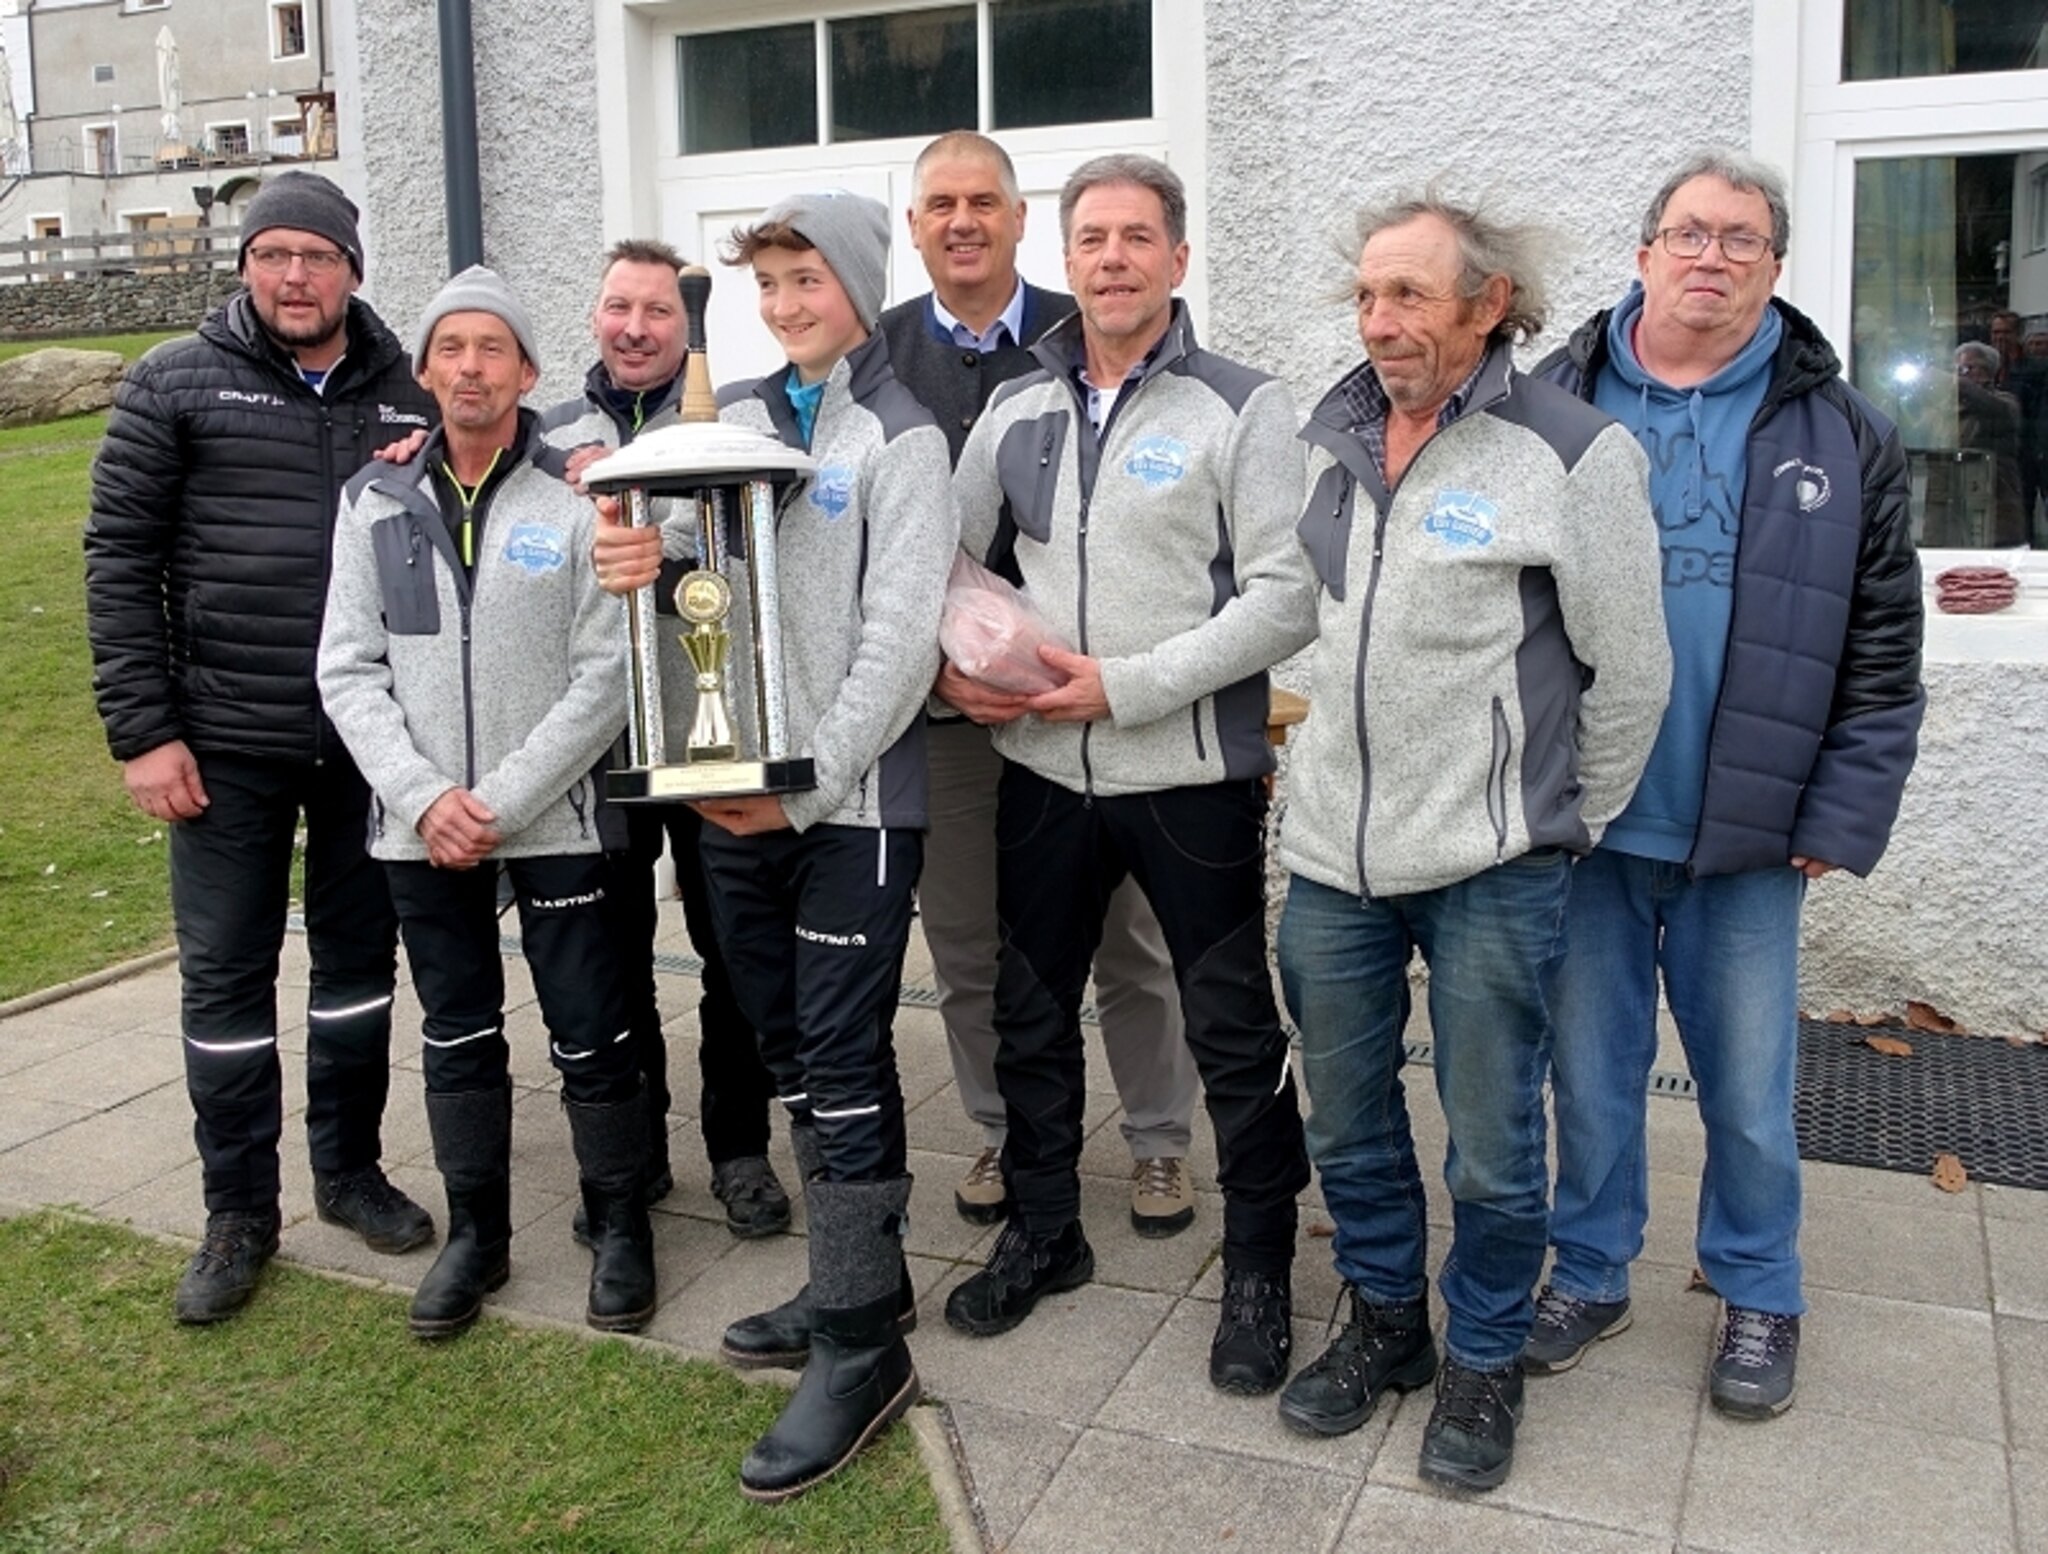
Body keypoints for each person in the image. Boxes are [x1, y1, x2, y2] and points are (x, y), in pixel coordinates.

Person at [1272, 193, 1668, 1491]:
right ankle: (1387, 1322)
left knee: (1492, 1143)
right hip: (1332, 859)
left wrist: (1561, 823)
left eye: (1409, 294)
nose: (1378, 321)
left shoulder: (1571, 452)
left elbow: (1632, 670)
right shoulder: (1334, 438)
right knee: (1345, 1122)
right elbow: (1309, 613)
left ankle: (1484, 1355)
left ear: (1489, 303)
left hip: (1494, 867)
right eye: (1365, 295)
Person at [1529, 150, 1923, 1423]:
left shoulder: (1840, 431)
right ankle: (1588, 1270)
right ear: (1643, 253)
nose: (1710, 257)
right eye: (1688, 233)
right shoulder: (1550, 403)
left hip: (1746, 827)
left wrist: (1842, 809)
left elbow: (1881, 641)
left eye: (1738, 239)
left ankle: (1756, 1285)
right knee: (1587, 1075)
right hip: (1584, 819)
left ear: (1772, 266)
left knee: (1747, 1091)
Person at [594, 192, 954, 1502]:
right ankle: (864, 1278)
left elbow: (899, 646)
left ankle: (862, 1353)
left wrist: (798, 792)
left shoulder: (901, 439)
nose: (788, 303)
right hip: (728, 803)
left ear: (858, 287)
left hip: (847, 813)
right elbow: (696, 587)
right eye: (771, 283)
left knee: (844, 1059)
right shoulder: (731, 421)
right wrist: (634, 561)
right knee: (794, 1050)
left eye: (810, 279)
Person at [938, 153, 1315, 1398]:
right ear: (1066, 257)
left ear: (1177, 258)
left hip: (1189, 772)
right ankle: (1044, 1230)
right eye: (1091, 237)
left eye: (1136, 237)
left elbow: (1286, 598)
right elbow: (941, 564)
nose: (1112, 258)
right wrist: (955, 673)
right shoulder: (1016, 407)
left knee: (1229, 1025)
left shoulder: (1241, 407)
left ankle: (1257, 1268)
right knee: (1028, 1011)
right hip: (1043, 770)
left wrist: (1130, 685)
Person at [84, 170, 436, 1325]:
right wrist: (145, 733)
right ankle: (238, 1212)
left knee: (356, 972)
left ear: (352, 271)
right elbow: (118, 562)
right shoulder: (174, 382)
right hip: (223, 743)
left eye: (317, 256)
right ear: (244, 268)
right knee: (228, 978)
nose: (295, 276)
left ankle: (348, 1171)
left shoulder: (406, 392)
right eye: (274, 254)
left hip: (365, 744)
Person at [318, 267, 651, 1341]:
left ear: (529, 373)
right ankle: (477, 1233)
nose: (471, 367)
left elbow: (607, 674)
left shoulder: (580, 497)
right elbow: (347, 669)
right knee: (457, 1032)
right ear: (423, 372)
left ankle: (619, 1222)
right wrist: (424, 800)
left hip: (553, 819)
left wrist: (500, 800)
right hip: (422, 832)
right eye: (450, 349)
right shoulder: (374, 501)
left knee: (591, 1030)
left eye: (492, 348)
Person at [877, 130, 1200, 1236]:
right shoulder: (876, 356)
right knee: (970, 943)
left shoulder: (1095, 328)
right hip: (947, 712)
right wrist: (936, 673)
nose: (962, 221)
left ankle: (1158, 1142)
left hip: (1085, 706)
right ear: (914, 226)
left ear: (1022, 221)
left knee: (1130, 945)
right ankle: (1000, 1129)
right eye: (940, 204)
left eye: (984, 202)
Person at [539, 239, 789, 1242]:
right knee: (613, 948)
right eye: (619, 308)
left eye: (657, 312)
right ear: (594, 315)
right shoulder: (547, 434)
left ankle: (740, 1151)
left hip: (708, 731)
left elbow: (758, 548)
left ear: (688, 327)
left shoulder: (738, 423)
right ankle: (633, 1149)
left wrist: (646, 509)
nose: (635, 328)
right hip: (596, 742)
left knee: (732, 950)